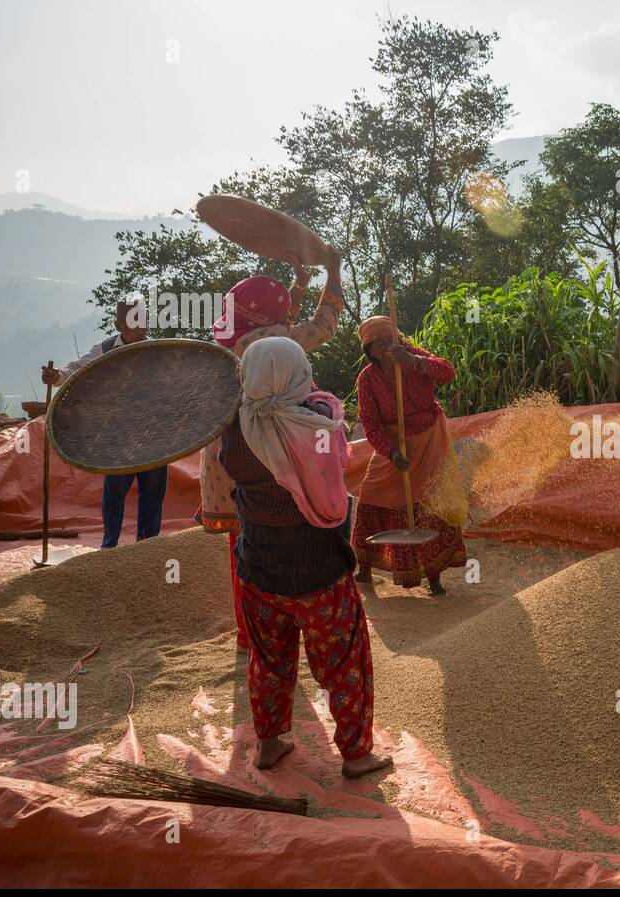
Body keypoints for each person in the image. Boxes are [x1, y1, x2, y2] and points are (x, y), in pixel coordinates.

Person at [219, 336, 391, 779]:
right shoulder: (315, 423)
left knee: (268, 660)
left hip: (257, 566)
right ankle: (356, 755)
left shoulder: (234, 427)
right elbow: (332, 480)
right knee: (344, 661)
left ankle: (270, 744)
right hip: (318, 567)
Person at [200, 252, 343, 655]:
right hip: (267, 448)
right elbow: (320, 327)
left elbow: (278, 318)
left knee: (242, 548)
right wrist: (333, 273)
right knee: (280, 536)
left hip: (226, 454)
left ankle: (250, 631)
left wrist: (297, 283)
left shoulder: (231, 335)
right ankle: (292, 621)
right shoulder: (270, 342)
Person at [351, 316, 468, 594]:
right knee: (371, 494)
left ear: (398, 340)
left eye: (389, 340)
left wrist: (413, 361)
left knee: (428, 500)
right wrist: (391, 452)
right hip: (393, 443)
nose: (385, 347)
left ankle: (434, 577)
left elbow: (447, 372)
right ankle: (364, 567)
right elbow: (370, 423)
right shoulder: (366, 379)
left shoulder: (414, 356)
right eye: (377, 343)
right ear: (368, 349)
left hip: (429, 437)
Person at [42, 301, 167, 548]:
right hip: (118, 435)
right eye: (133, 324)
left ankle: (148, 546)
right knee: (114, 493)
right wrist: (56, 377)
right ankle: (109, 546)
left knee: (152, 493)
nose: (140, 329)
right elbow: (74, 370)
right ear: (118, 325)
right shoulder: (105, 349)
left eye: (143, 323)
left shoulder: (157, 350)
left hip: (154, 434)